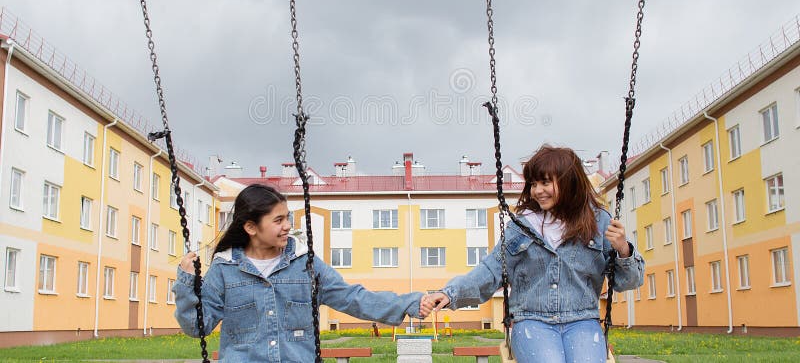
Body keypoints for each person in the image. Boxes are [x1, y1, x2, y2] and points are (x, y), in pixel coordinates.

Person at [423, 145, 644, 363]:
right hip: (532, 320)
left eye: (545, 182)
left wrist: (623, 249)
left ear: (569, 182)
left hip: (583, 320)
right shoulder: (522, 227)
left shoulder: (599, 223)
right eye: (533, 184)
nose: (537, 190)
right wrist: (451, 294)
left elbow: (627, 282)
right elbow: (491, 272)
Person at [174, 184, 433, 362]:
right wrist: (186, 284)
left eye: (287, 218)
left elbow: (352, 297)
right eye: (278, 220)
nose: (287, 226)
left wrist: (408, 303)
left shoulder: (304, 265)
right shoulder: (224, 269)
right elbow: (198, 327)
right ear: (251, 227)